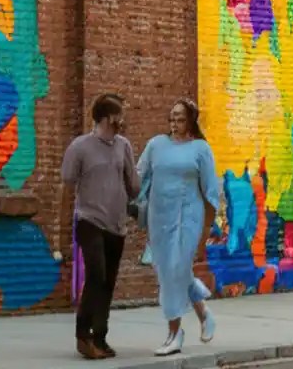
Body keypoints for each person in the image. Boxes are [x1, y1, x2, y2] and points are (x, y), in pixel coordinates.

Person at [138, 98, 221, 356]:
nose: (175, 123)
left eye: (181, 119)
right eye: (172, 118)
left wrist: (206, 232)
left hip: (188, 217)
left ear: (191, 121)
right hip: (159, 217)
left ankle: (175, 334)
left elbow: (211, 193)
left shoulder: (200, 149)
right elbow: (137, 175)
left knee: (175, 270)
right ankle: (205, 314)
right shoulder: (156, 145)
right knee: (168, 271)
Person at [62, 93, 140, 360]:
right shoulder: (80, 147)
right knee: (96, 274)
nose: (124, 120)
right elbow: (67, 186)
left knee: (107, 281)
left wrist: (136, 181)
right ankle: (83, 336)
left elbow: (133, 186)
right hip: (89, 220)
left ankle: (101, 337)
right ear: (108, 118)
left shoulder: (123, 146)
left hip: (116, 224)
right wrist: (61, 229)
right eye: (120, 115)